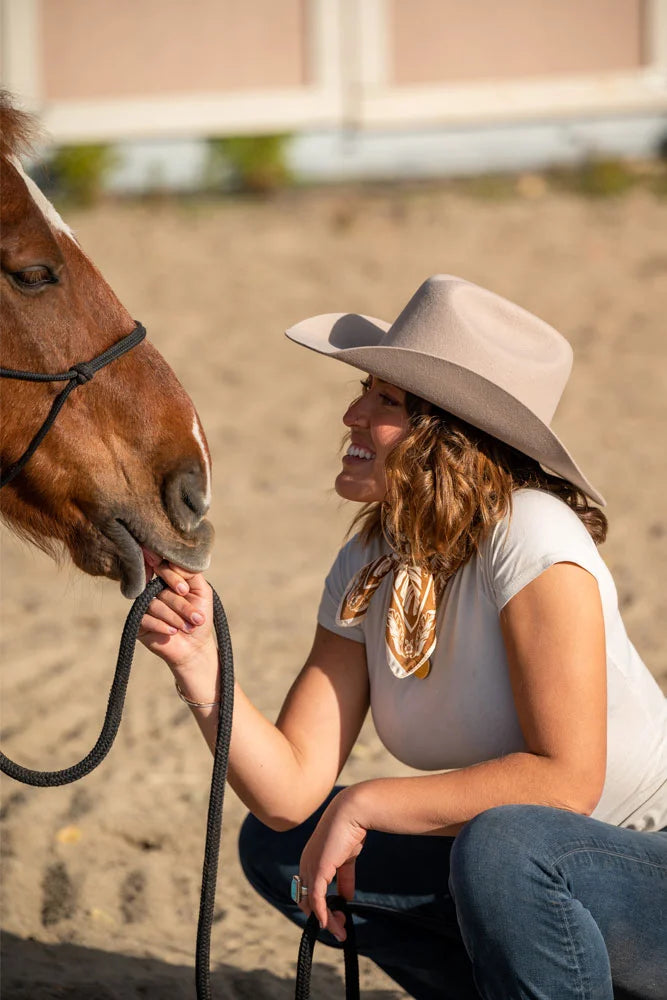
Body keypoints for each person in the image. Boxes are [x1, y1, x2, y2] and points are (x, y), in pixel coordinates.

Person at [140, 275, 667, 1000]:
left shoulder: (532, 534)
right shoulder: (367, 561)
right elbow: (291, 793)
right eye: (365, 390)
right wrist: (199, 666)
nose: (351, 414)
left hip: (644, 870)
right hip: (508, 871)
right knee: (281, 849)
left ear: (448, 433)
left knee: (503, 842)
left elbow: (564, 784)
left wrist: (365, 803)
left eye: (385, 401)